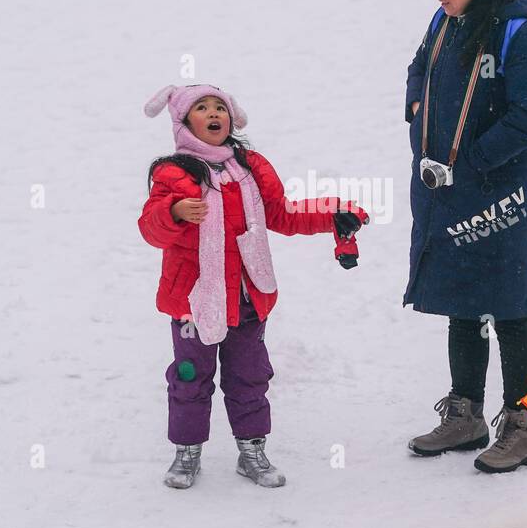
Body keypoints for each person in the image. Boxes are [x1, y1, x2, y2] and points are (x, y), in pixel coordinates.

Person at [139, 84, 366, 489]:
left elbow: (283, 213)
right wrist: (173, 211)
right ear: (183, 121)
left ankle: (251, 450)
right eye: (202, 108)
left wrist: (334, 212)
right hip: (195, 301)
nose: (214, 114)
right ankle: (187, 451)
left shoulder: (251, 167)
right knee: (191, 375)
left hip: (246, 296)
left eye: (220, 107)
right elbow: (151, 228)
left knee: (249, 375)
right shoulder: (172, 173)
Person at [403, 0, 527, 473]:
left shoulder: (520, 30)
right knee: (461, 301)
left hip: (502, 193)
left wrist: (471, 163)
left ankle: (523, 425)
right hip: (448, 188)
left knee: (511, 307)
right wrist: (416, 113)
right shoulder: (447, 22)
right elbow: (419, 72)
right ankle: (465, 414)